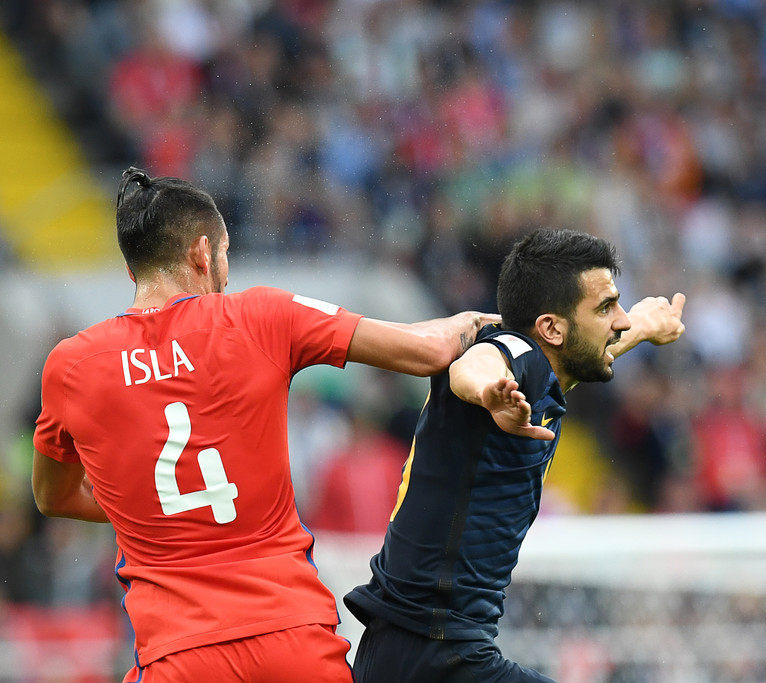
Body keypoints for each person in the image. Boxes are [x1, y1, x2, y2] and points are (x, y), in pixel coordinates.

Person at [31, 167, 498, 683]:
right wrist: (471, 323)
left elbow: (53, 497)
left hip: (179, 655)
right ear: (202, 253)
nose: (227, 272)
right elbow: (427, 350)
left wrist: (151, 513)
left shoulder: (72, 366)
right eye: (226, 253)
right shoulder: (259, 316)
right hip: (293, 639)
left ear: (131, 270)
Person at [344, 228, 686, 682]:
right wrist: (489, 392)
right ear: (550, 327)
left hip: (420, 649)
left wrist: (645, 324)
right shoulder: (512, 353)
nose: (619, 320)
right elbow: (476, 365)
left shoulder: (546, 367)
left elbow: (588, 351)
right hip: (433, 652)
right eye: (607, 308)